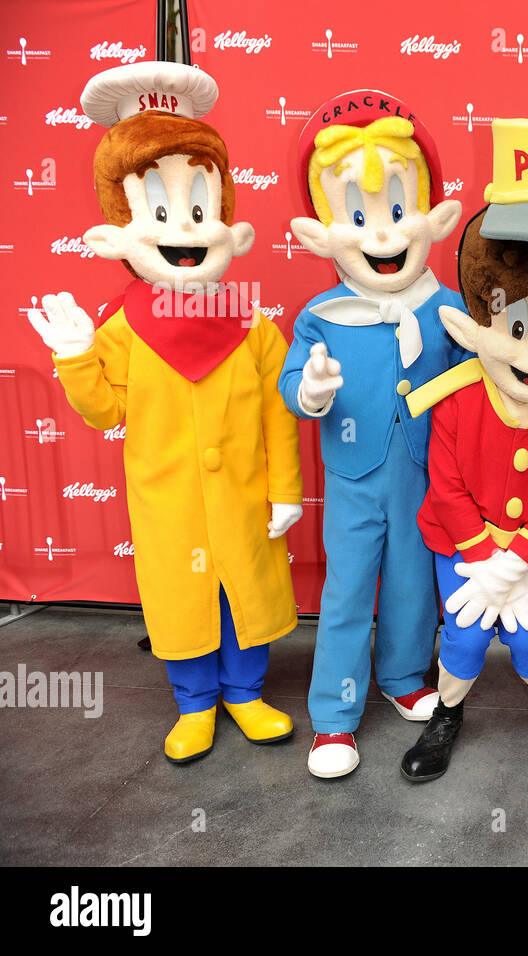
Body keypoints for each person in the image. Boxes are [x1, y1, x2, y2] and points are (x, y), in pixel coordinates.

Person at [26, 62, 302, 764]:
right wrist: (74, 358)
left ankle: (245, 692)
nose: (184, 226)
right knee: (183, 600)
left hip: (243, 500)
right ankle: (195, 703)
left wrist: (285, 491)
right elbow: (103, 411)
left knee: (245, 595)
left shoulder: (251, 323)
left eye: (201, 206)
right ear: (120, 223)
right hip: (168, 502)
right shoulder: (117, 329)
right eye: (159, 210)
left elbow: (278, 412)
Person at [399, 118, 528, 782]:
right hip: (460, 544)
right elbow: (446, 484)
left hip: (527, 548)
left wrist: (515, 561)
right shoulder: (459, 397)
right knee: (462, 633)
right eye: (517, 325)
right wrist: (484, 560)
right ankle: (449, 714)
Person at [278, 90, 468, 779]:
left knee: (415, 585)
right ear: (325, 227)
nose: (382, 235)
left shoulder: (449, 307)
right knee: (349, 591)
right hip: (354, 478)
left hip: (425, 476)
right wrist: (311, 390)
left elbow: (475, 379)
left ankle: (403, 676)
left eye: (394, 211)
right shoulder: (322, 313)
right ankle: (334, 716)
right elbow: (293, 381)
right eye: (359, 217)